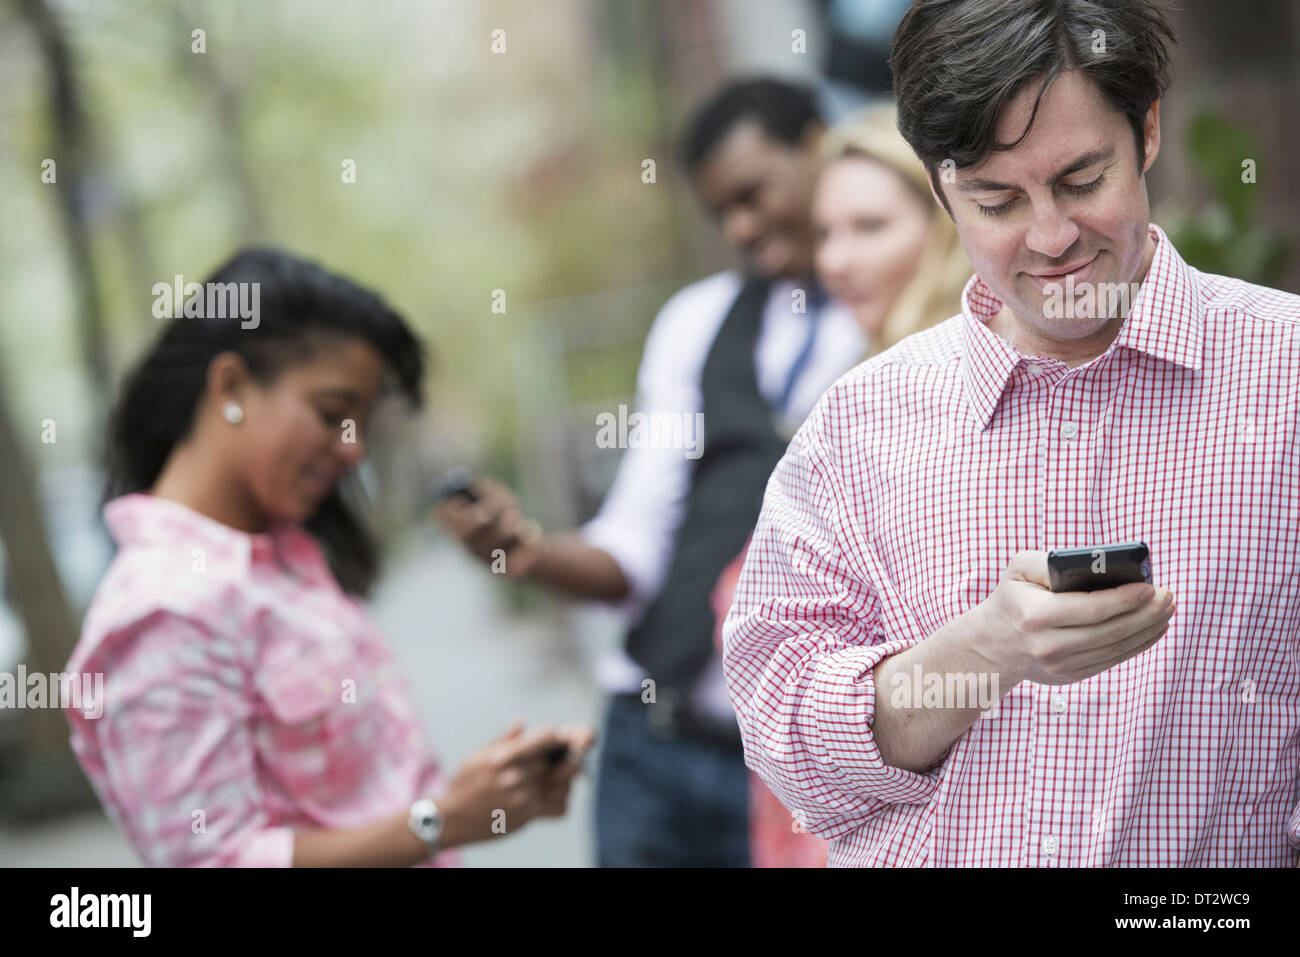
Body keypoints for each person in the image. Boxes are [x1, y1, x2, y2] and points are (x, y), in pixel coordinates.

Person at [723, 0, 1300, 867]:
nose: (1051, 236)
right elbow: (788, 745)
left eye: (1081, 180)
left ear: (1146, 131)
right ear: (938, 186)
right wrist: (978, 653)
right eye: (997, 199)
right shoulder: (858, 428)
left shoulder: (1283, 377)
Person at [436, 77, 868, 867]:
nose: (741, 227)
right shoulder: (696, 324)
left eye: (752, 194)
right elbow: (637, 542)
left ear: (817, 148)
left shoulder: (909, 327)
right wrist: (527, 549)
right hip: (655, 743)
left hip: (801, 769)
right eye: (721, 214)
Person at [64, 249, 595, 867]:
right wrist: (440, 822)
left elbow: (351, 803)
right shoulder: (161, 611)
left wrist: (491, 795)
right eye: (332, 415)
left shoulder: (283, 557)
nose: (352, 451)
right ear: (231, 387)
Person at [708, 100, 970, 866]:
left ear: (948, 223)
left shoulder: (947, 406)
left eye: (870, 227)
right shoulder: (849, 397)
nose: (835, 260)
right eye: (825, 233)